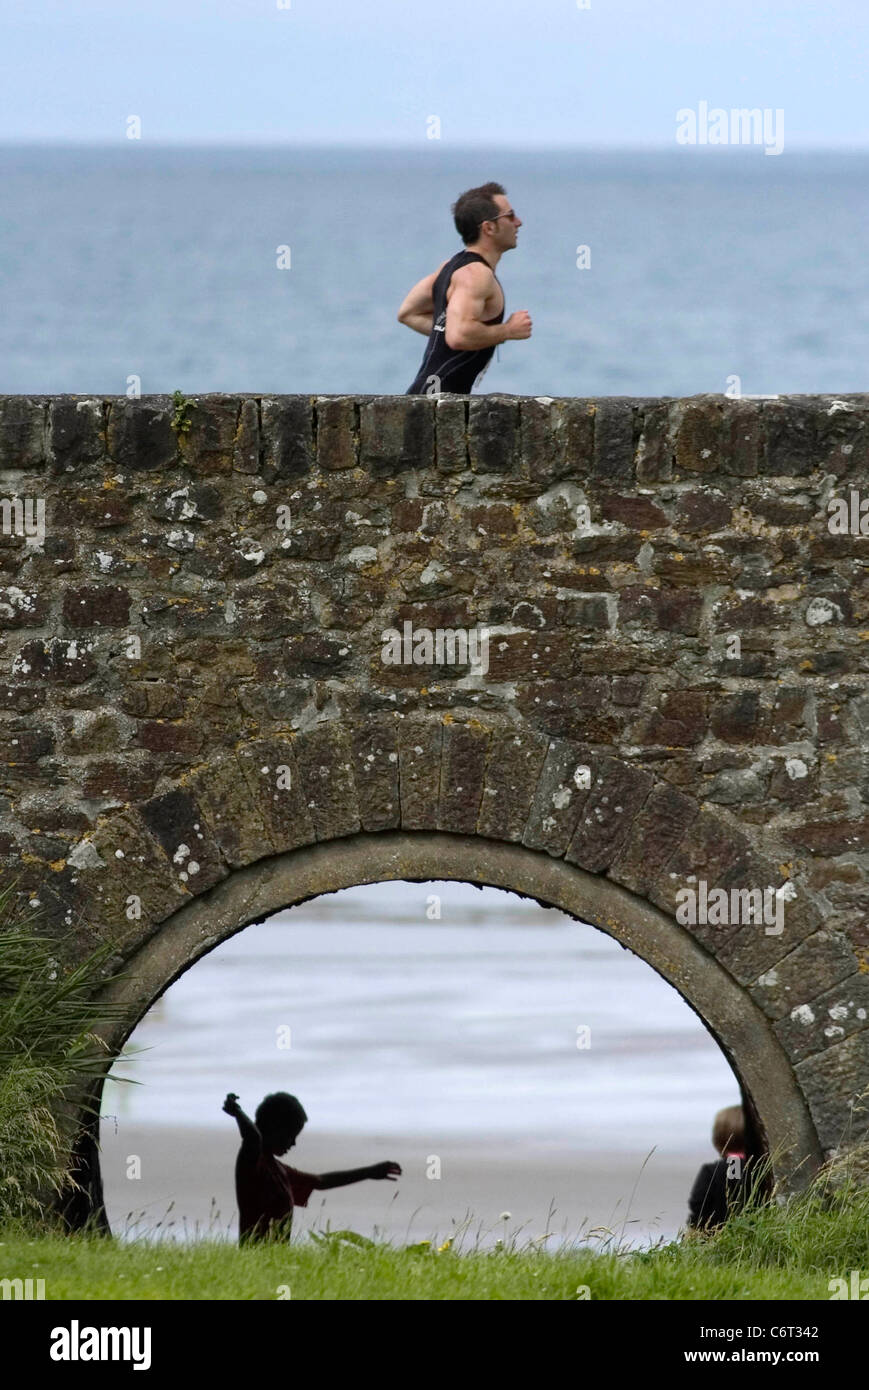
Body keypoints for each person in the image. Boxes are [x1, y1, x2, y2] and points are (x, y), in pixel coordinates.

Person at [399, 180, 532, 395]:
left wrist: (448, 327)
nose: (519, 222)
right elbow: (459, 336)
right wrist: (508, 330)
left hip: (424, 398)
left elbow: (408, 313)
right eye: (510, 216)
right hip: (437, 408)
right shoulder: (475, 275)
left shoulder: (449, 267)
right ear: (489, 227)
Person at [222, 1091, 401, 1244]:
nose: (293, 1143)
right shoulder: (252, 1164)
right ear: (273, 1127)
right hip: (254, 1260)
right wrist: (237, 1112)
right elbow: (253, 1138)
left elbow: (321, 1181)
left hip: (275, 1261)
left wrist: (370, 1172)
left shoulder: (279, 1170)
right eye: (290, 1135)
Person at [687, 1103, 756, 1232]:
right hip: (753, 1235)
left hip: (713, 1237)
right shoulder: (760, 1169)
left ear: (718, 1140)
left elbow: (697, 1205)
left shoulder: (711, 1172)